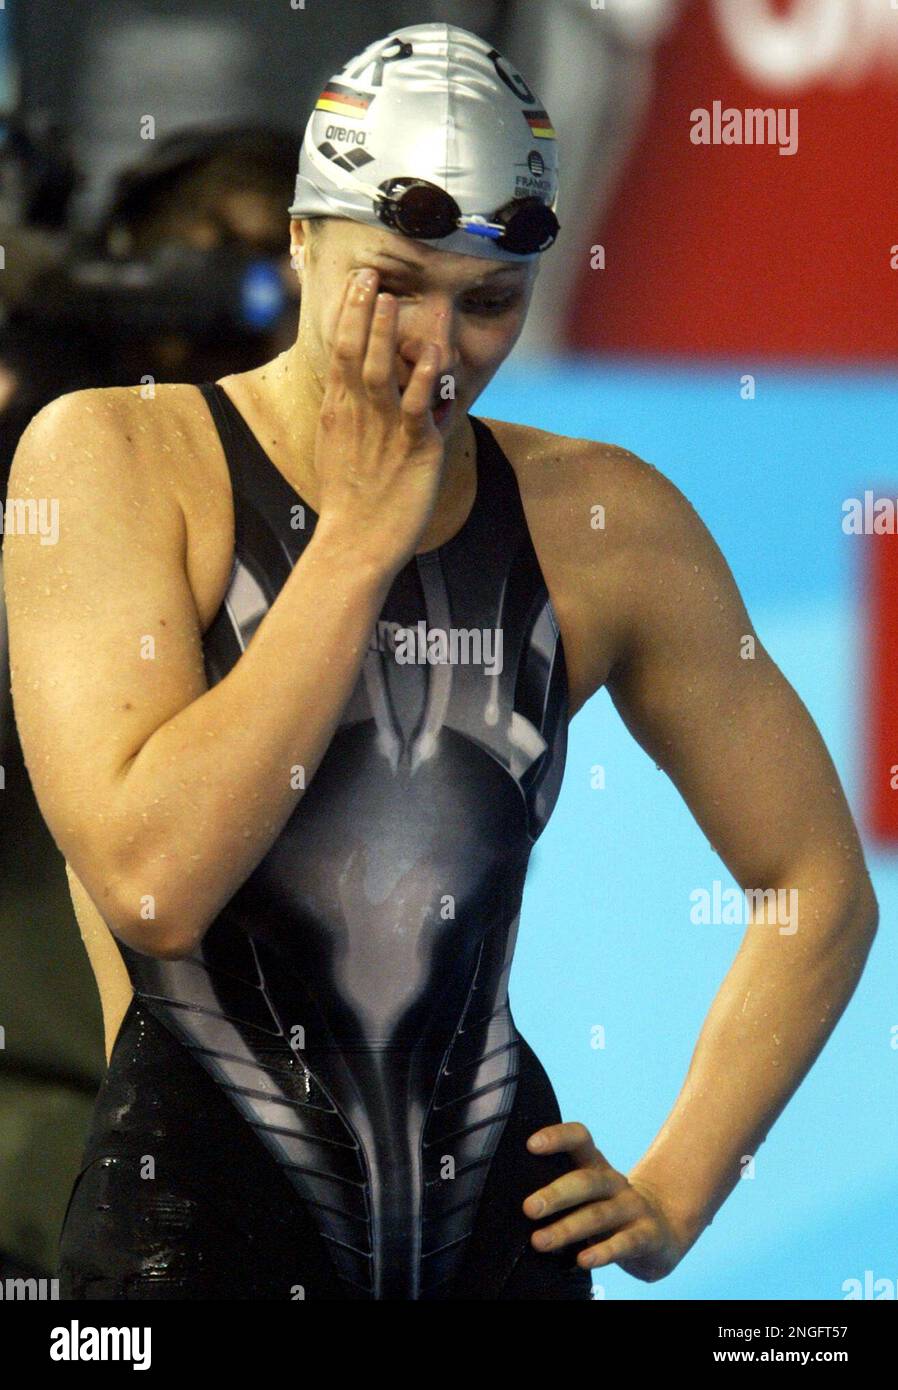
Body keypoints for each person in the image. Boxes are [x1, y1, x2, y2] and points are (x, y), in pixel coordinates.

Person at [4, 22, 878, 1301]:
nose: (437, 346)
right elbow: (152, 882)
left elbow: (816, 884)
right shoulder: (120, 464)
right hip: (187, 1254)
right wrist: (358, 538)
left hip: (496, 1263)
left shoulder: (604, 522)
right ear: (302, 242)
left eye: (487, 303)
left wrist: (678, 1185)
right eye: (395, 284)